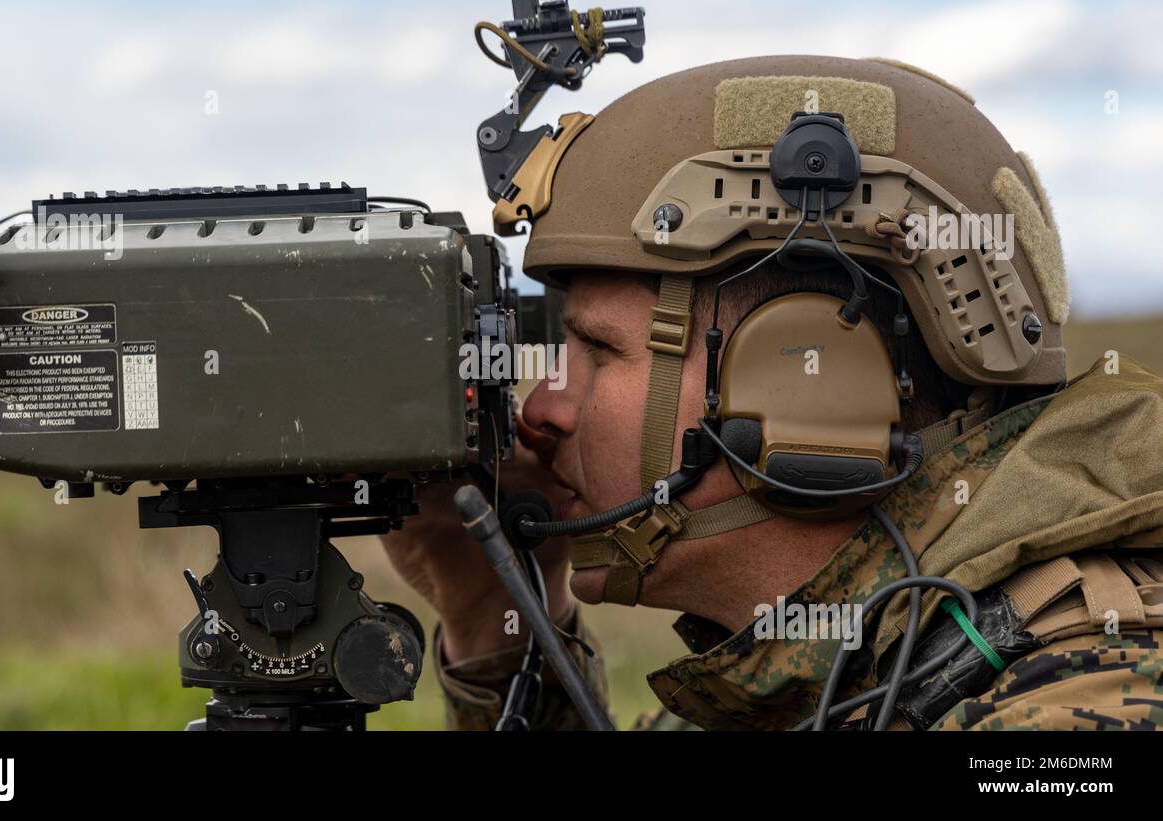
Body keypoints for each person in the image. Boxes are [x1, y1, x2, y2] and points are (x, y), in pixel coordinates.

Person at [382, 56, 1163, 731]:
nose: (540, 408)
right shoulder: (857, 666)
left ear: (803, 377)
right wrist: (498, 615)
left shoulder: (1083, 704)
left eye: (595, 350)